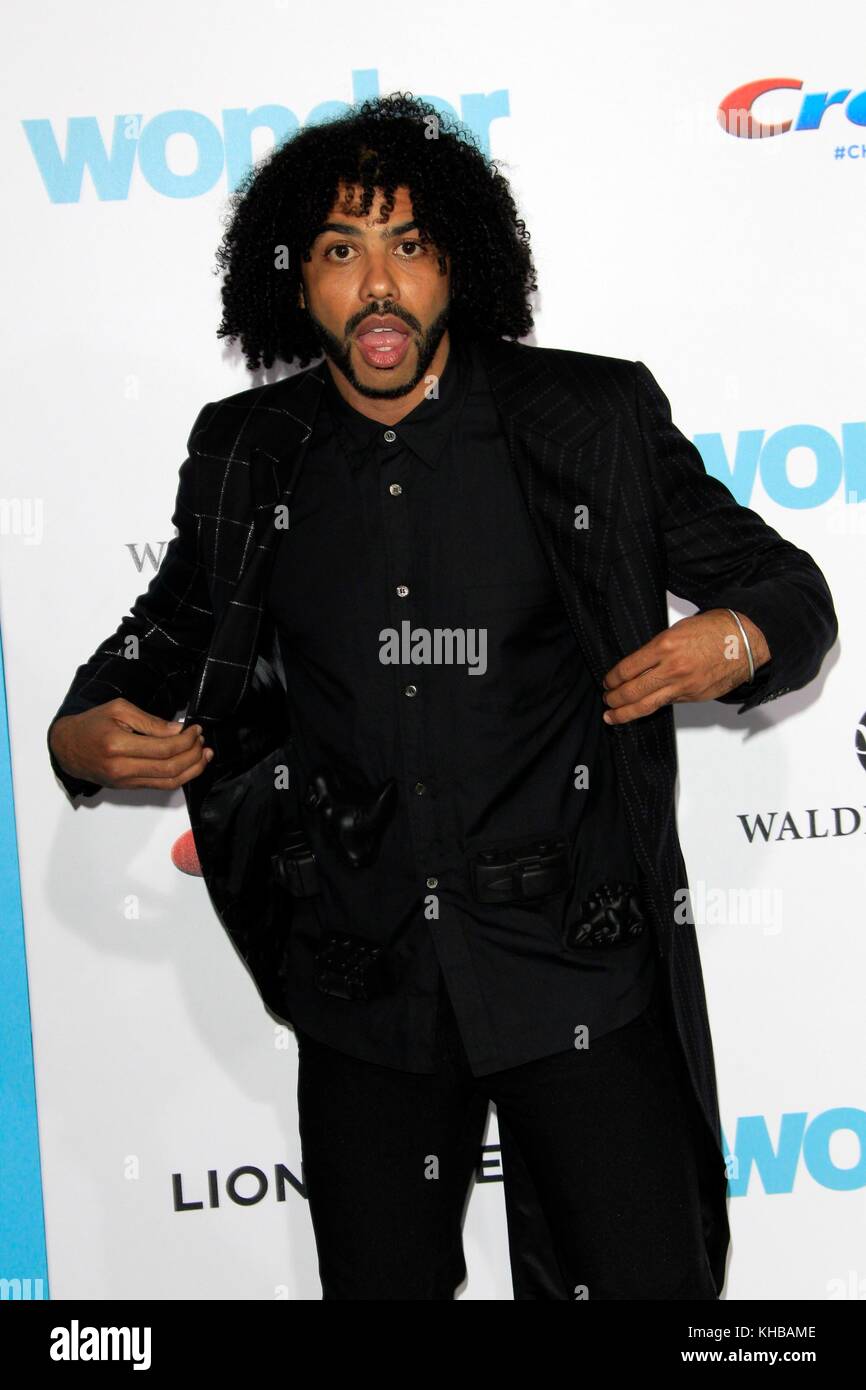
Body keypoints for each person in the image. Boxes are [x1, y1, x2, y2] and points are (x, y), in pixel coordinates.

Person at [48, 93, 838, 1300]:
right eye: (338, 250)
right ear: (294, 282)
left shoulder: (588, 419)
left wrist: (735, 636)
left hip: (575, 968)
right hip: (368, 990)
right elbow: (161, 638)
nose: (377, 284)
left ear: (456, 263)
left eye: (407, 245)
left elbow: (789, 587)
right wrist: (81, 728)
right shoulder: (247, 450)